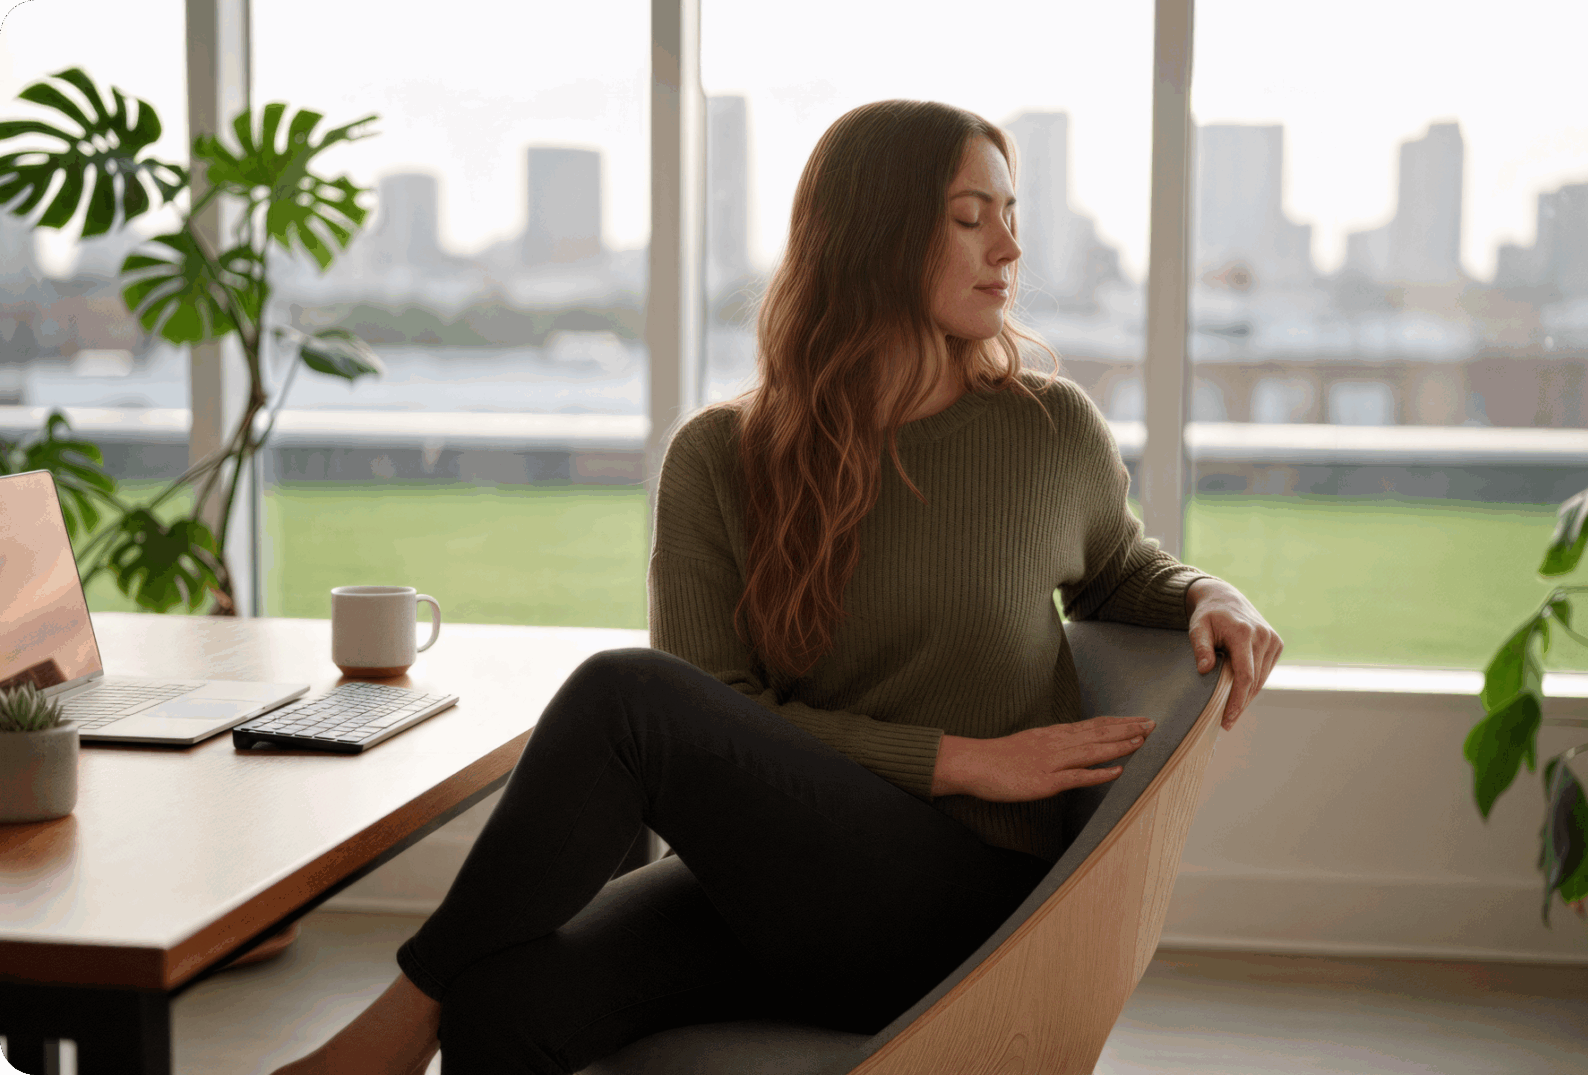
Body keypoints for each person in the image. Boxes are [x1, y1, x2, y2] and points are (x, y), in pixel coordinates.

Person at [270, 98, 1282, 1075]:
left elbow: (1120, 568)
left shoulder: (1046, 429)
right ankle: (426, 1012)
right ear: (873, 236)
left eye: (1010, 218)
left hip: (957, 907)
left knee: (622, 694)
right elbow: (716, 706)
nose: (1008, 249)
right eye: (971, 219)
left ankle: (393, 1023)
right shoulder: (717, 458)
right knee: (501, 1005)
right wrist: (959, 758)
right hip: (772, 889)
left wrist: (1209, 595)